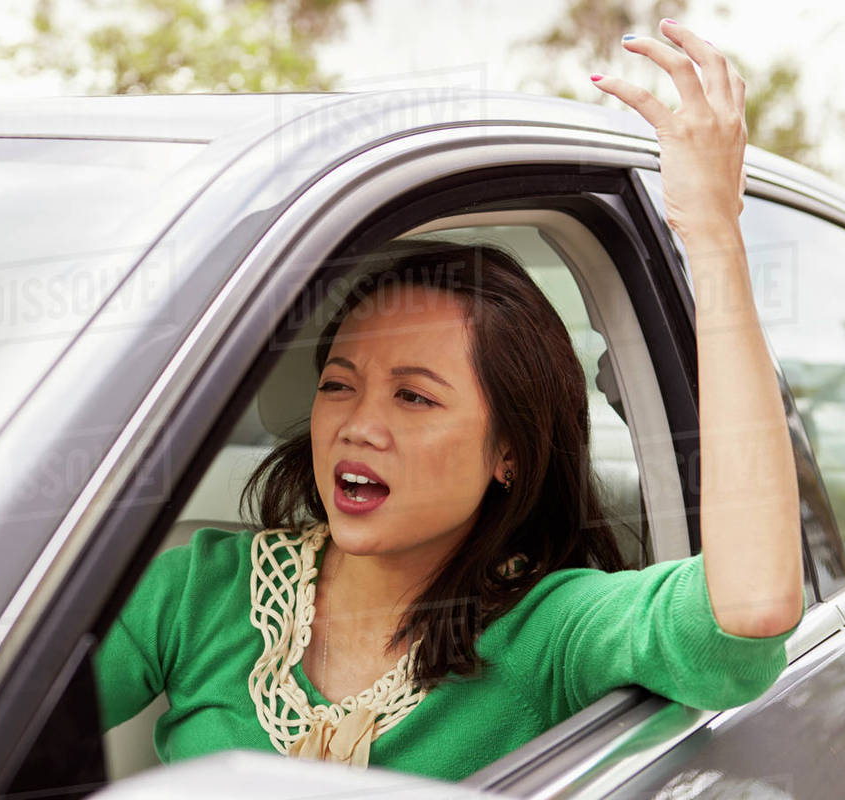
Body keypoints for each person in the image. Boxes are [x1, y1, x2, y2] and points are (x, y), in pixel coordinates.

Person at [90, 18, 806, 783]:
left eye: (413, 397)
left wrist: (712, 233)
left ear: (510, 452)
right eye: (338, 384)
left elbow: (752, 607)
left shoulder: (548, 631)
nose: (359, 426)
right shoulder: (199, 590)